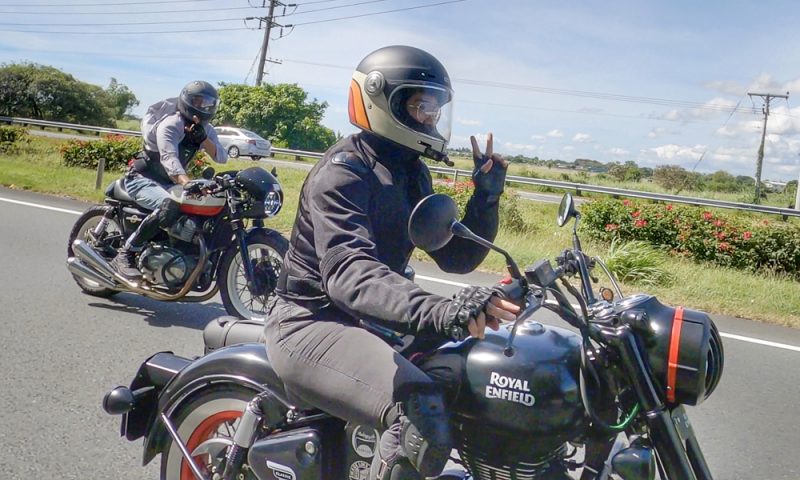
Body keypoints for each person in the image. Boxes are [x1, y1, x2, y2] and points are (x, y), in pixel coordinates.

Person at [263, 45, 520, 480]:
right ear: (383, 99)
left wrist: (486, 197)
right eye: (420, 105)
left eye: (435, 109)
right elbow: (348, 273)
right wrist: (439, 308)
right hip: (309, 321)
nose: (430, 119)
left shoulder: (410, 172)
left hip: (370, 320)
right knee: (418, 415)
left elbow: (456, 257)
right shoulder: (343, 172)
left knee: (481, 377)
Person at [110, 80, 227, 280]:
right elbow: (169, 158)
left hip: (170, 182)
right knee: (169, 205)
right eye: (198, 102)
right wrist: (186, 183)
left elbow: (221, 157)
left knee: (197, 211)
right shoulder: (171, 123)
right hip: (142, 178)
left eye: (207, 104)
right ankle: (126, 254)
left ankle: (181, 255)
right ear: (186, 101)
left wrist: (203, 139)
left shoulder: (205, 129)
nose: (202, 107)